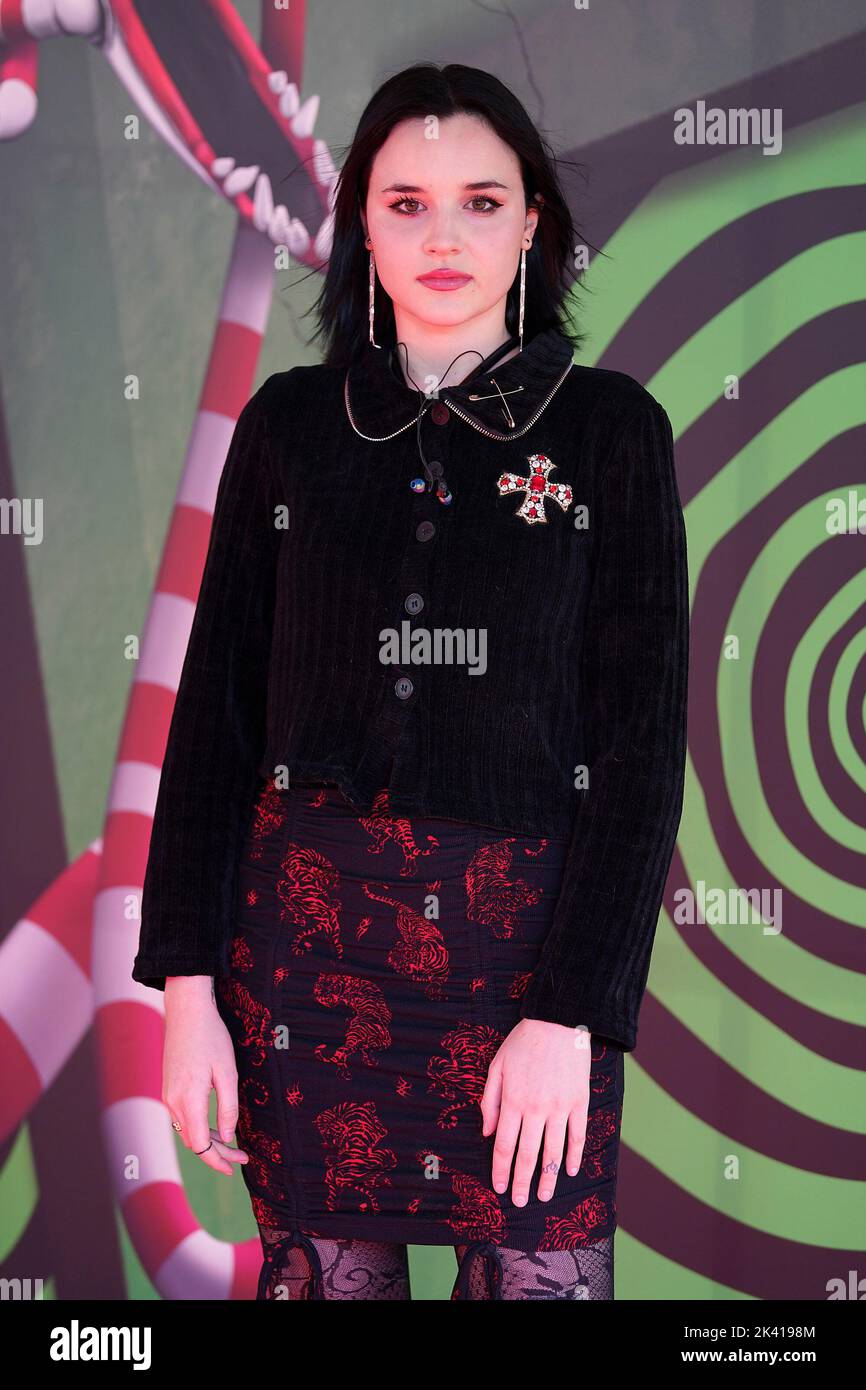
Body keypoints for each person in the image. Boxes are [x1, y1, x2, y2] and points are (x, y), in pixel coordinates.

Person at [132, 62, 689, 1301]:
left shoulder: (610, 433)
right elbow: (215, 723)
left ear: (533, 222)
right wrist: (185, 987)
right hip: (300, 952)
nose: (443, 236)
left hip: (526, 971)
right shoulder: (287, 428)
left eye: (481, 201)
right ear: (359, 227)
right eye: (405, 203)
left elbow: (642, 754)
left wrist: (573, 1014)